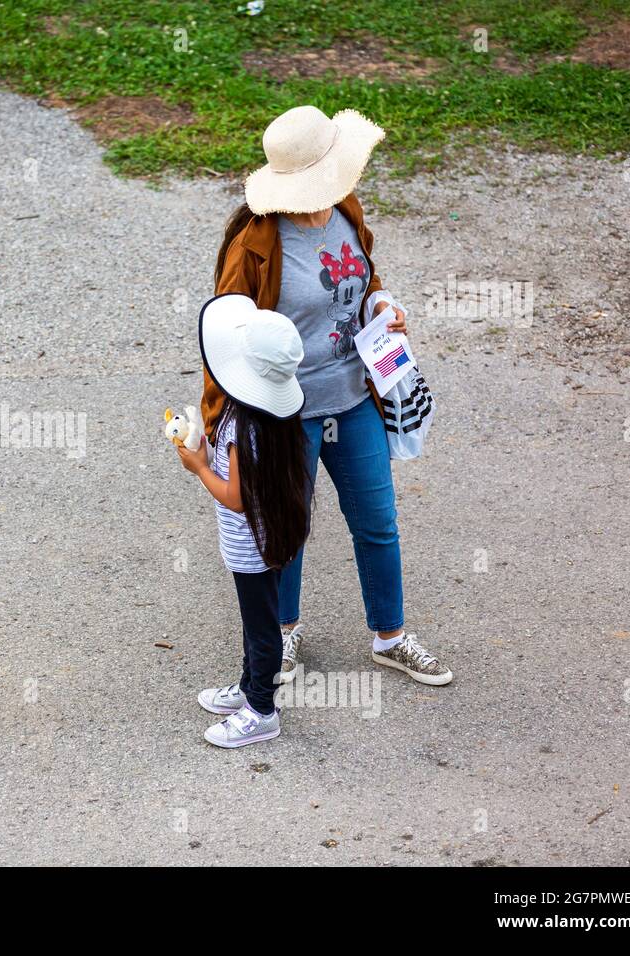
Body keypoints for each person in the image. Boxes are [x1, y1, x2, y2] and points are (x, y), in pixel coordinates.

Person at [201, 105, 452, 687]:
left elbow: (367, 282)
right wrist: (221, 422)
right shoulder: (255, 243)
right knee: (287, 528)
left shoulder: (345, 211)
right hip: (287, 413)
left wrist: (383, 309)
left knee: (378, 522)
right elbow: (226, 337)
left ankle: (391, 637)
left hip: (353, 395)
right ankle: (284, 635)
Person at [177, 295, 311, 748]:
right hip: (272, 532)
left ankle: (261, 709)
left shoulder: (240, 428)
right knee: (257, 620)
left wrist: (198, 466)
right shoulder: (273, 415)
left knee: (261, 626)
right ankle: (249, 686)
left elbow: (235, 498)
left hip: (250, 543)